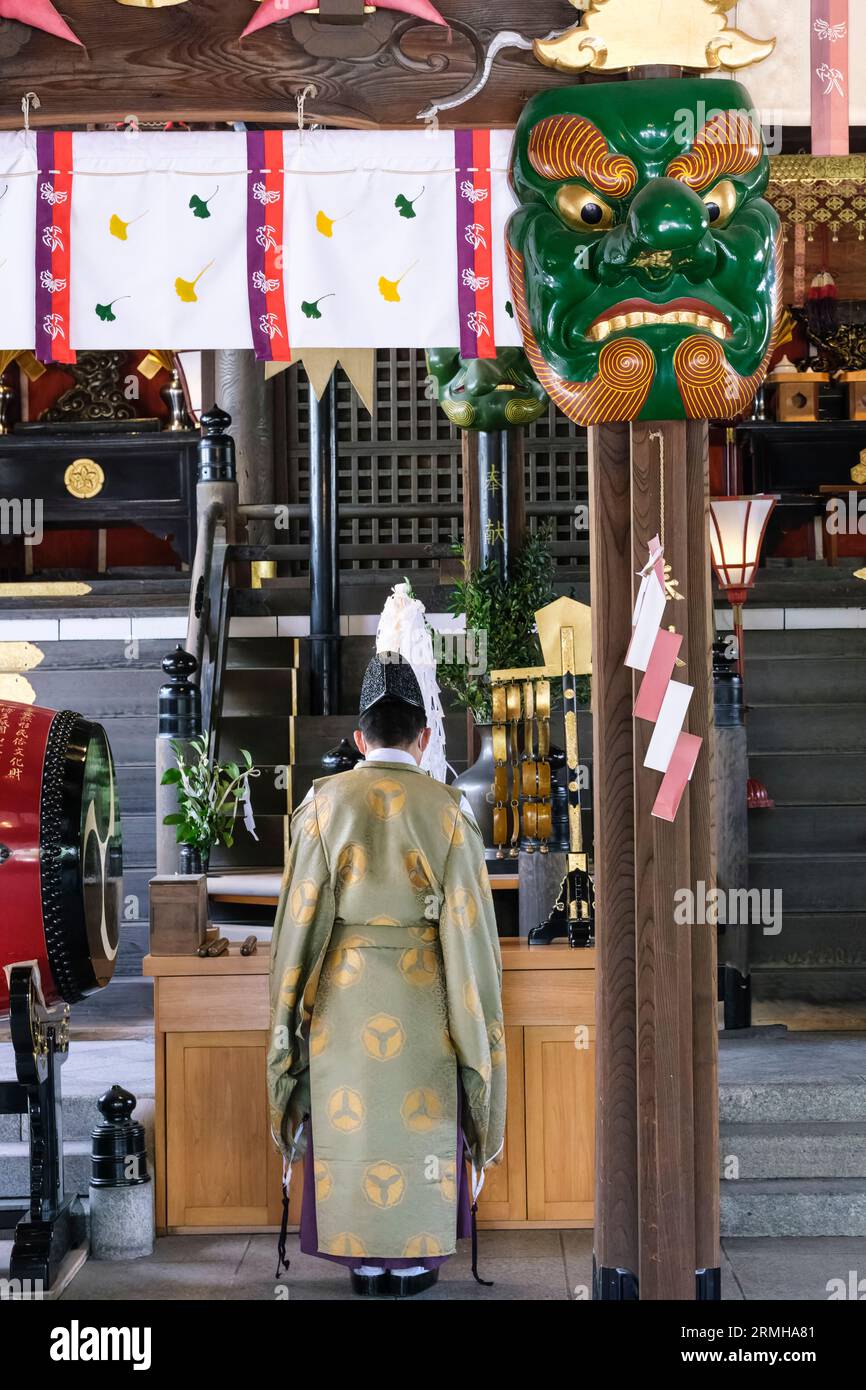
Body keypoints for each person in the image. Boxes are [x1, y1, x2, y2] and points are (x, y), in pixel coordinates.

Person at [267, 652, 506, 1297]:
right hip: (426, 994)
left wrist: (290, 1015)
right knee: (421, 1123)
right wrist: (475, 1023)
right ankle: (416, 1262)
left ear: (358, 738)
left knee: (354, 1122)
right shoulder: (451, 812)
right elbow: (472, 936)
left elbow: (296, 929)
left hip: (344, 1005)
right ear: (424, 736)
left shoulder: (321, 806)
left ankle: (364, 1265)